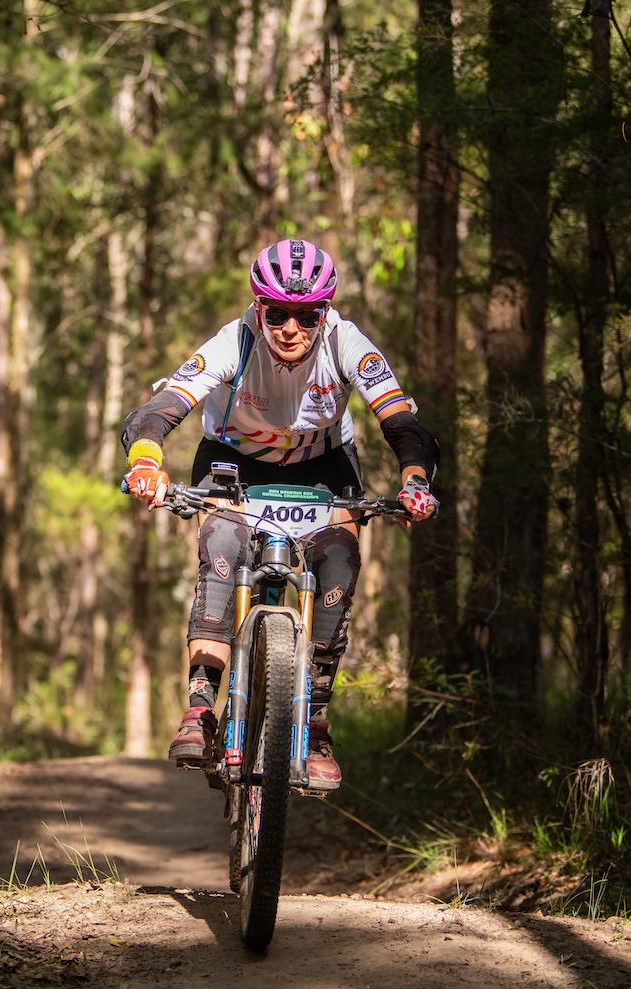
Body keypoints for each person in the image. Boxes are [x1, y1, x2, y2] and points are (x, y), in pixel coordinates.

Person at [120, 237, 439, 792]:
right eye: (278, 314)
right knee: (221, 546)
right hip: (233, 462)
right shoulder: (233, 341)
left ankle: (313, 723)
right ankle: (201, 705)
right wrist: (147, 462)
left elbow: (402, 422)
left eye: (306, 315)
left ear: (325, 313)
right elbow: (159, 410)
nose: (291, 328)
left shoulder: (346, 343)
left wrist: (413, 481)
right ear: (259, 308)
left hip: (323, 466)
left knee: (339, 556)